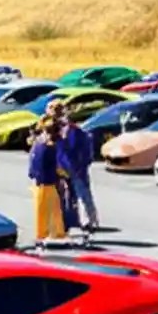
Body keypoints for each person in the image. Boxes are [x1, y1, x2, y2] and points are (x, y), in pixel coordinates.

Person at [56, 100, 100, 235]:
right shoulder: (67, 133)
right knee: (72, 196)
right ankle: (77, 220)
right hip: (67, 169)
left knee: (83, 195)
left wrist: (80, 166)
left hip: (75, 169)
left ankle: (89, 221)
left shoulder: (77, 134)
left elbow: (77, 153)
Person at [29, 119, 67, 251]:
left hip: (39, 181)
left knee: (48, 208)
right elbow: (57, 167)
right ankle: (47, 234)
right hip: (48, 181)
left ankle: (52, 233)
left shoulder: (38, 144)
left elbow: (33, 162)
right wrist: (64, 176)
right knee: (49, 209)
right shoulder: (50, 148)